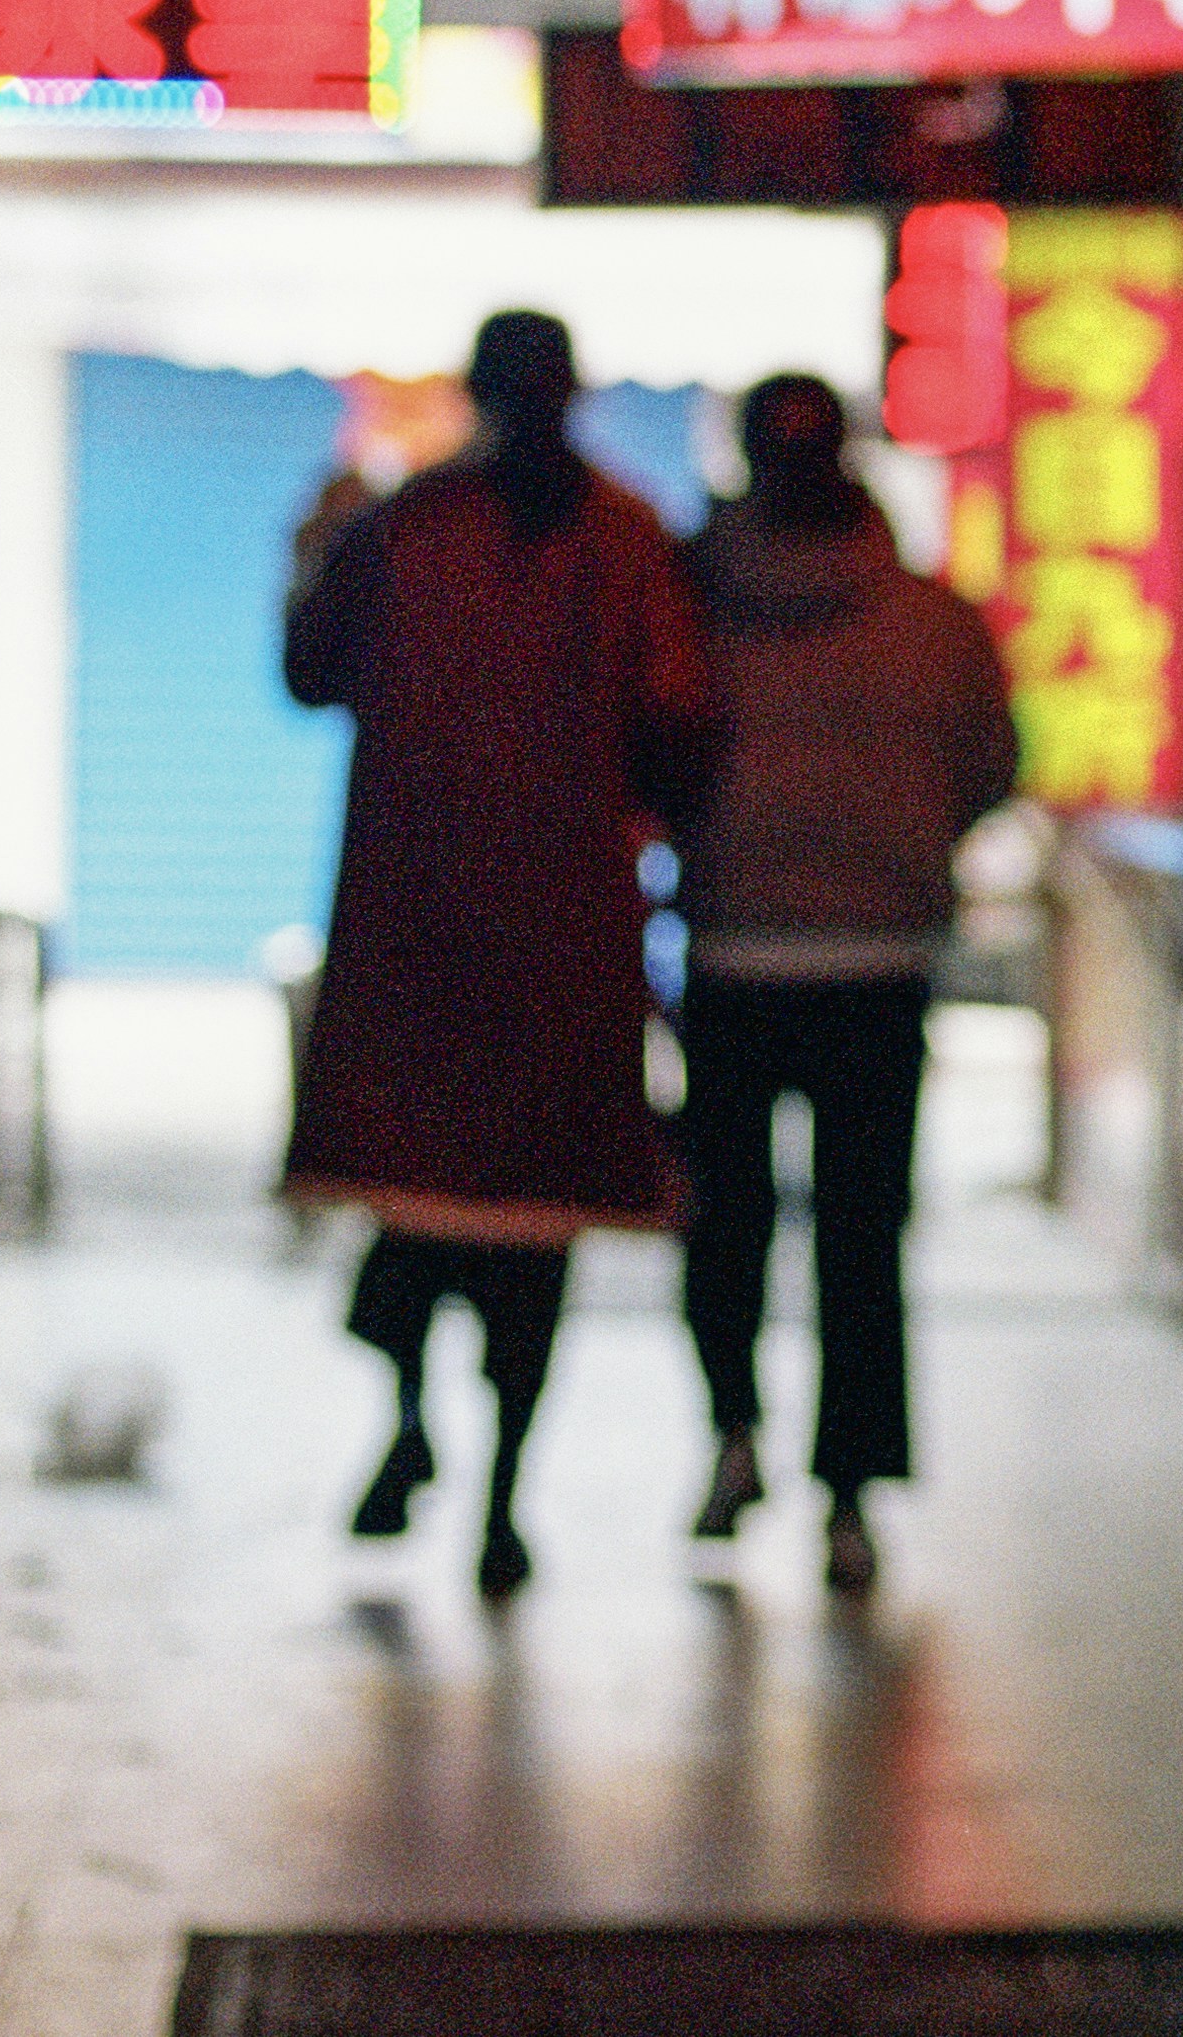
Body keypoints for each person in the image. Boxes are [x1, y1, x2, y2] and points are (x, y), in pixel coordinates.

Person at [281, 310, 716, 1599]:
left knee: (410, 1214)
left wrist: (310, 555)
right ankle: (500, 1502)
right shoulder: (629, 539)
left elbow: (309, 672)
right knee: (532, 1238)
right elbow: (681, 726)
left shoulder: (402, 529)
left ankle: (414, 1429)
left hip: (414, 927)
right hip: (561, 937)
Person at [673, 372, 1018, 1595]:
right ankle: (851, 1497)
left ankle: (731, 1437)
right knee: (863, 1240)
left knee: (724, 1225)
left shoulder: (693, 605)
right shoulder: (933, 620)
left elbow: (648, 748)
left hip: (731, 957)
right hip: (880, 963)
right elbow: (990, 764)